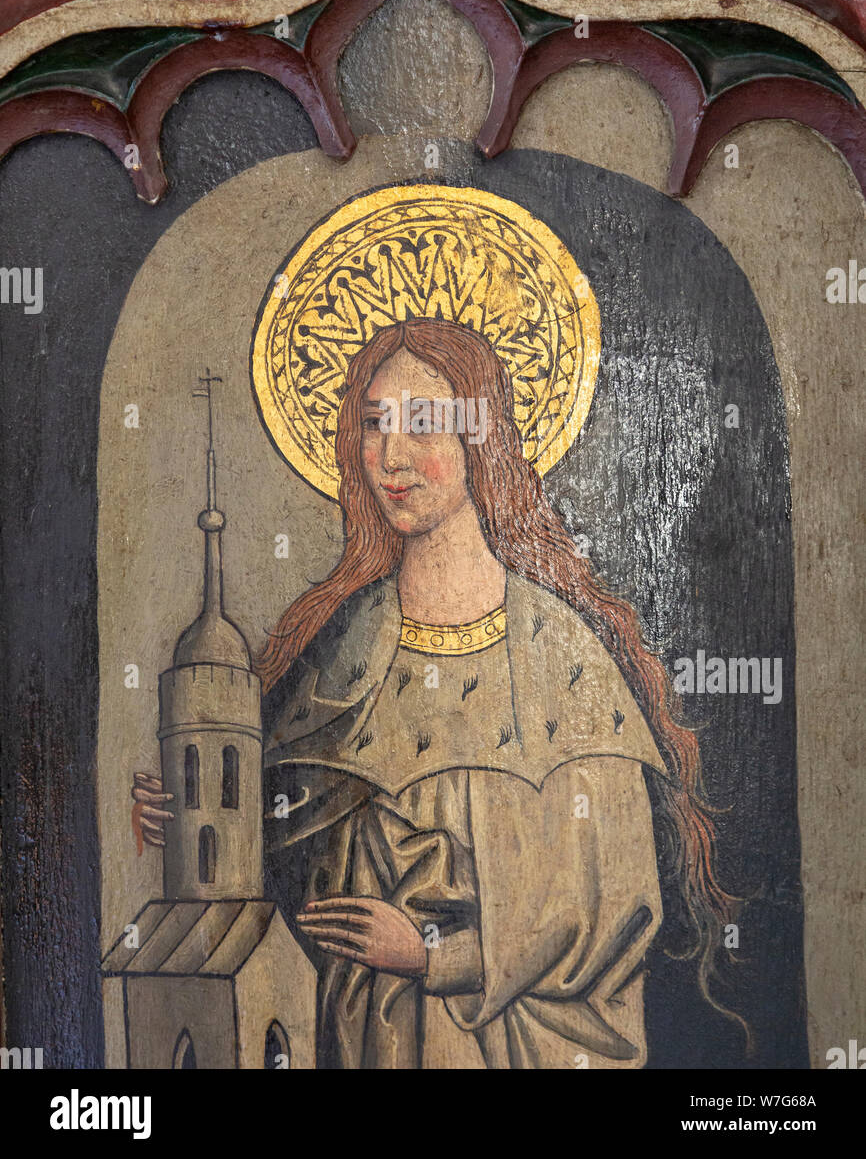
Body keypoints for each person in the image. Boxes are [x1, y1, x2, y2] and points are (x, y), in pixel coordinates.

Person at [134, 317, 735, 1069]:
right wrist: (195, 810)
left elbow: (612, 906)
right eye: (375, 424)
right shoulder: (350, 640)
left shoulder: (561, 655)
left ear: (476, 439)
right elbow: (281, 840)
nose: (391, 455)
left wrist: (428, 952)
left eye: (422, 423)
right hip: (367, 1041)